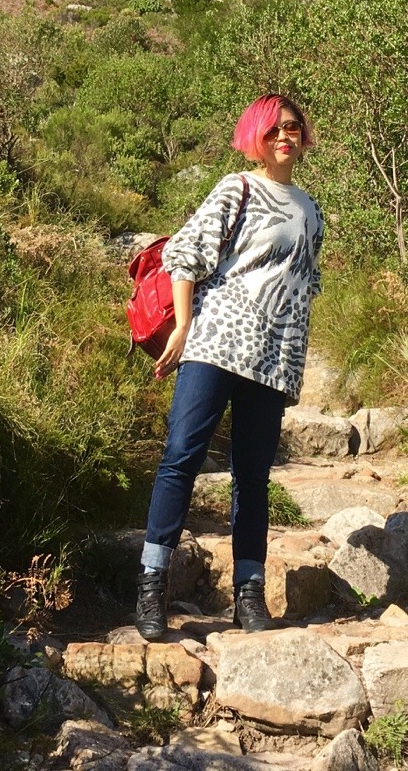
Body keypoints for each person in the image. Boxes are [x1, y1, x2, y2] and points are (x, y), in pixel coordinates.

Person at [135, 94, 324, 640]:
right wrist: (183, 326)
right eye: (273, 129)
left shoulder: (311, 211)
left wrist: (293, 364)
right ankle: (152, 585)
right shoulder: (236, 188)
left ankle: (248, 594)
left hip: (271, 360)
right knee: (181, 457)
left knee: (253, 478)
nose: (284, 136)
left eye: (293, 127)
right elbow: (186, 254)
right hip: (215, 345)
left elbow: (304, 289)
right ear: (255, 137)